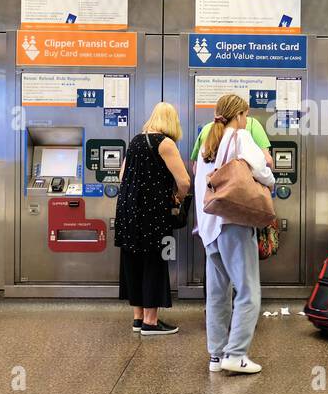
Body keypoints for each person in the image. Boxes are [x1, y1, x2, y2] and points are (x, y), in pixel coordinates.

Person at [194, 93, 275, 375]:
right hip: (234, 223)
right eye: (246, 115)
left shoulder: (208, 142)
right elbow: (265, 172)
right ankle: (236, 354)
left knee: (217, 293)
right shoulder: (241, 138)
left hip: (209, 227)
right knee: (248, 290)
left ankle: (216, 356)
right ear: (240, 115)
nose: (247, 119)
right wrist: (267, 179)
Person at [115, 102, 190, 336]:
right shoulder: (165, 143)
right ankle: (151, 322)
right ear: (172, 121)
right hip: (152, 211)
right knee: (154, 262)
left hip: (128, 209)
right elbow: (184, 181)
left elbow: (121, 174)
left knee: (133, 261)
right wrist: (177, 198)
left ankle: (138, 318)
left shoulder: (136, 140)